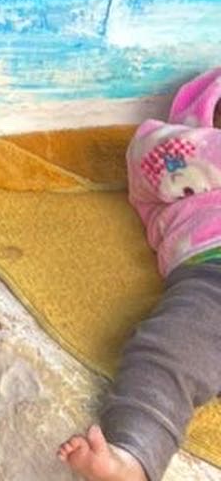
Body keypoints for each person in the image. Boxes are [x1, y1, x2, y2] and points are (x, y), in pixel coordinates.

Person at [58, 66, 221, 481]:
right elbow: (158, 160)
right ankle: (132, 455)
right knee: (173, 349)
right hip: (213, 273)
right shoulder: (167, 153)